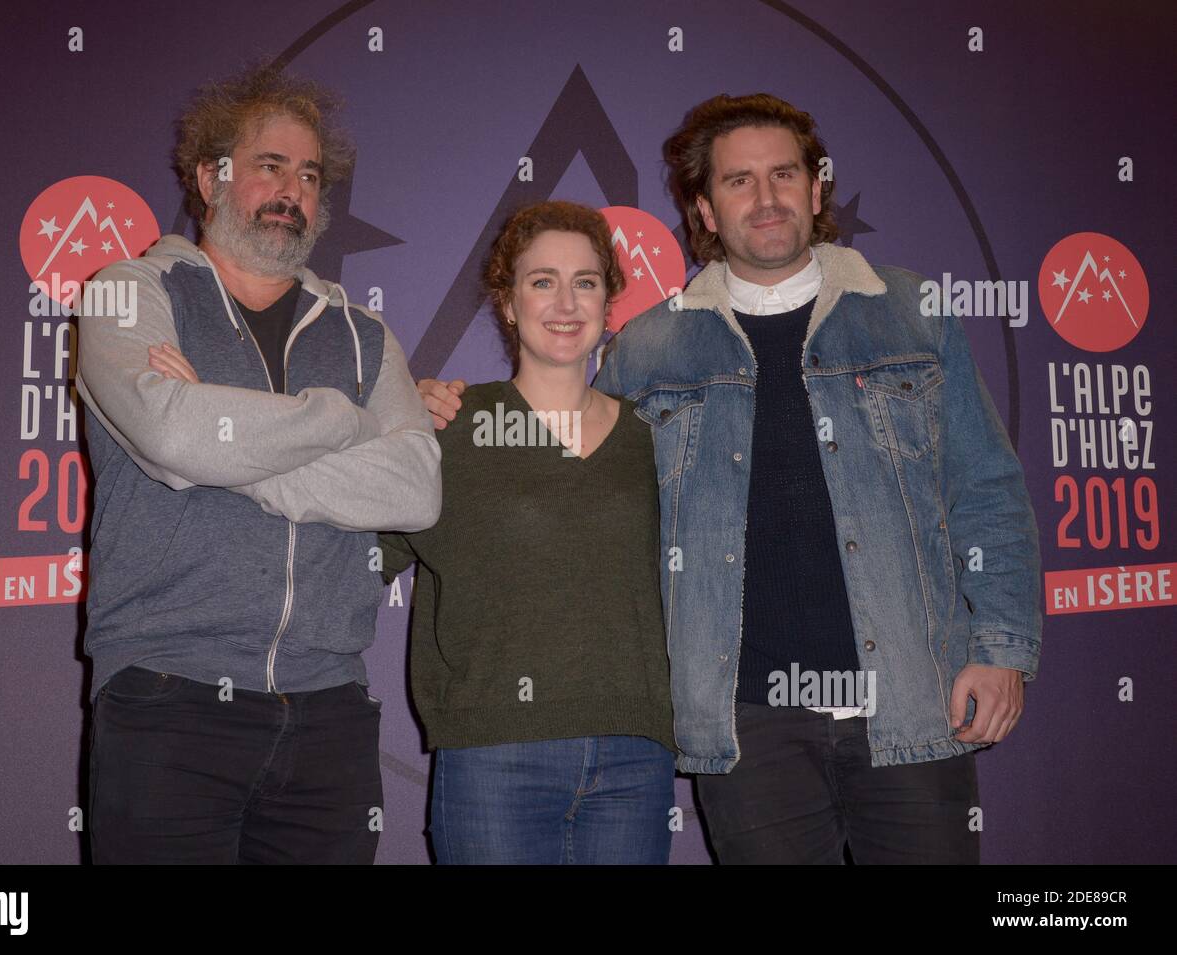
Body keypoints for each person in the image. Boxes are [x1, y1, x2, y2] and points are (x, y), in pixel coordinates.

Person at [418, 94, 1041, 864]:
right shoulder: (649, 349)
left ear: (818, 190)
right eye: (738, 181)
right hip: (749, 726)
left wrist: (1003, 645)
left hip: (912, 700)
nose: (767, 196)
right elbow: (563, 479)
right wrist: (427, 410)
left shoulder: (912, 312)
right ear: (705, 209)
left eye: (785, 173)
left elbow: (985, 486)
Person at [74, 63, 440, 864]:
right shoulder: (125, 292)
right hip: (169, 696)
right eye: (269, 165)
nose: (291, 189)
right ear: (211, 176)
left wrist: (221, 440)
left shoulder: (361, 334)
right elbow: (171, 439)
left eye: (308, 174)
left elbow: (415, 488)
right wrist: (339, 421)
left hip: (331, 711)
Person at [379, 200, 677, 865]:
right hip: (494, 754)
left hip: (636, 756)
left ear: (610, 299)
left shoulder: (652, 438)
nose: (566, 301)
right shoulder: (449, 425)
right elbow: (355, 557)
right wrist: (389, 430)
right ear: (507, 302)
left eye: (587, 281)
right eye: (542, 280)